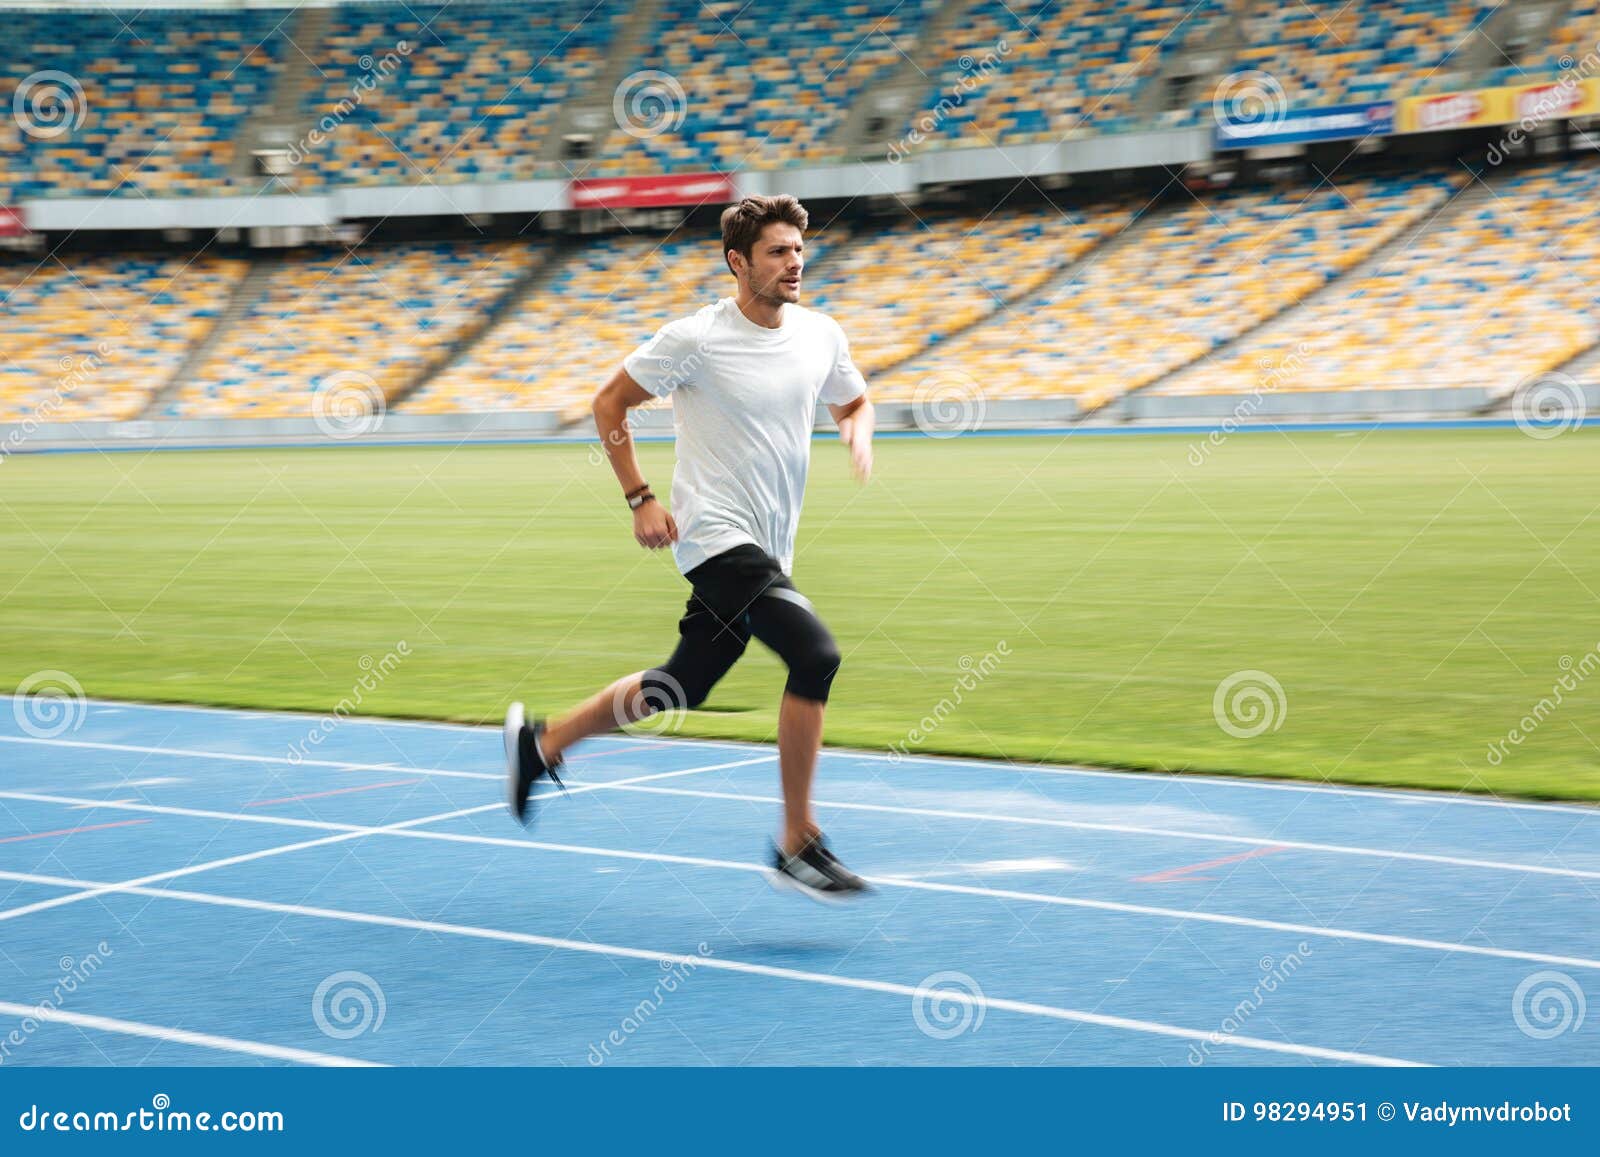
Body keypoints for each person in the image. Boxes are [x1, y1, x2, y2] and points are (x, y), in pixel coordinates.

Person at [504, 194, 876, 902]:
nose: (795, 262)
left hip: (770, 545)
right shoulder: (695, 338)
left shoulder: (821, 333)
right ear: (739, 262)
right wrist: (640, 497)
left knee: (685, 682)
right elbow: (608, 403)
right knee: (815, 654)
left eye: (799, 249)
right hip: (713, 536)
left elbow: (853, 399)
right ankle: (798, 840)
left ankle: (542, 745)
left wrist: (858, 425)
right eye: (778, 251)